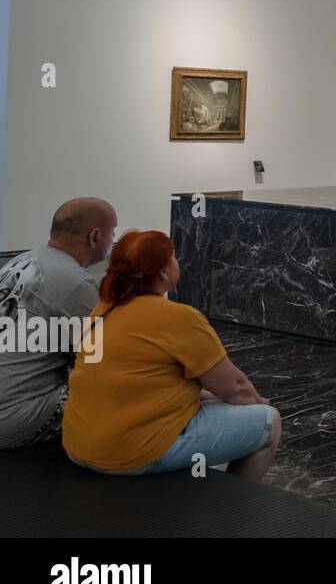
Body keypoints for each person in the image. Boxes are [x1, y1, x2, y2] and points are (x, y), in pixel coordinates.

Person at [62, 230, 282, 481]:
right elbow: (237, 388)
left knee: (211, 400)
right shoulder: (179, 317)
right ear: (164, 271)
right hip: (129, 455)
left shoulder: (102, 310)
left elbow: (133, 380)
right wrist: (258, 403)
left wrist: (207, 396)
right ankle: (237, 508)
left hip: (78, 446)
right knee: (269, 422)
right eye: (174, 257)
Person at [0, 198, 117, 448]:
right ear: (95, 236)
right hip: (10, 418)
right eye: (113, 232)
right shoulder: (76, 282)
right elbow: (105, 359)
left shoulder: (18, 263)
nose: (113, 240)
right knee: (113, 389)